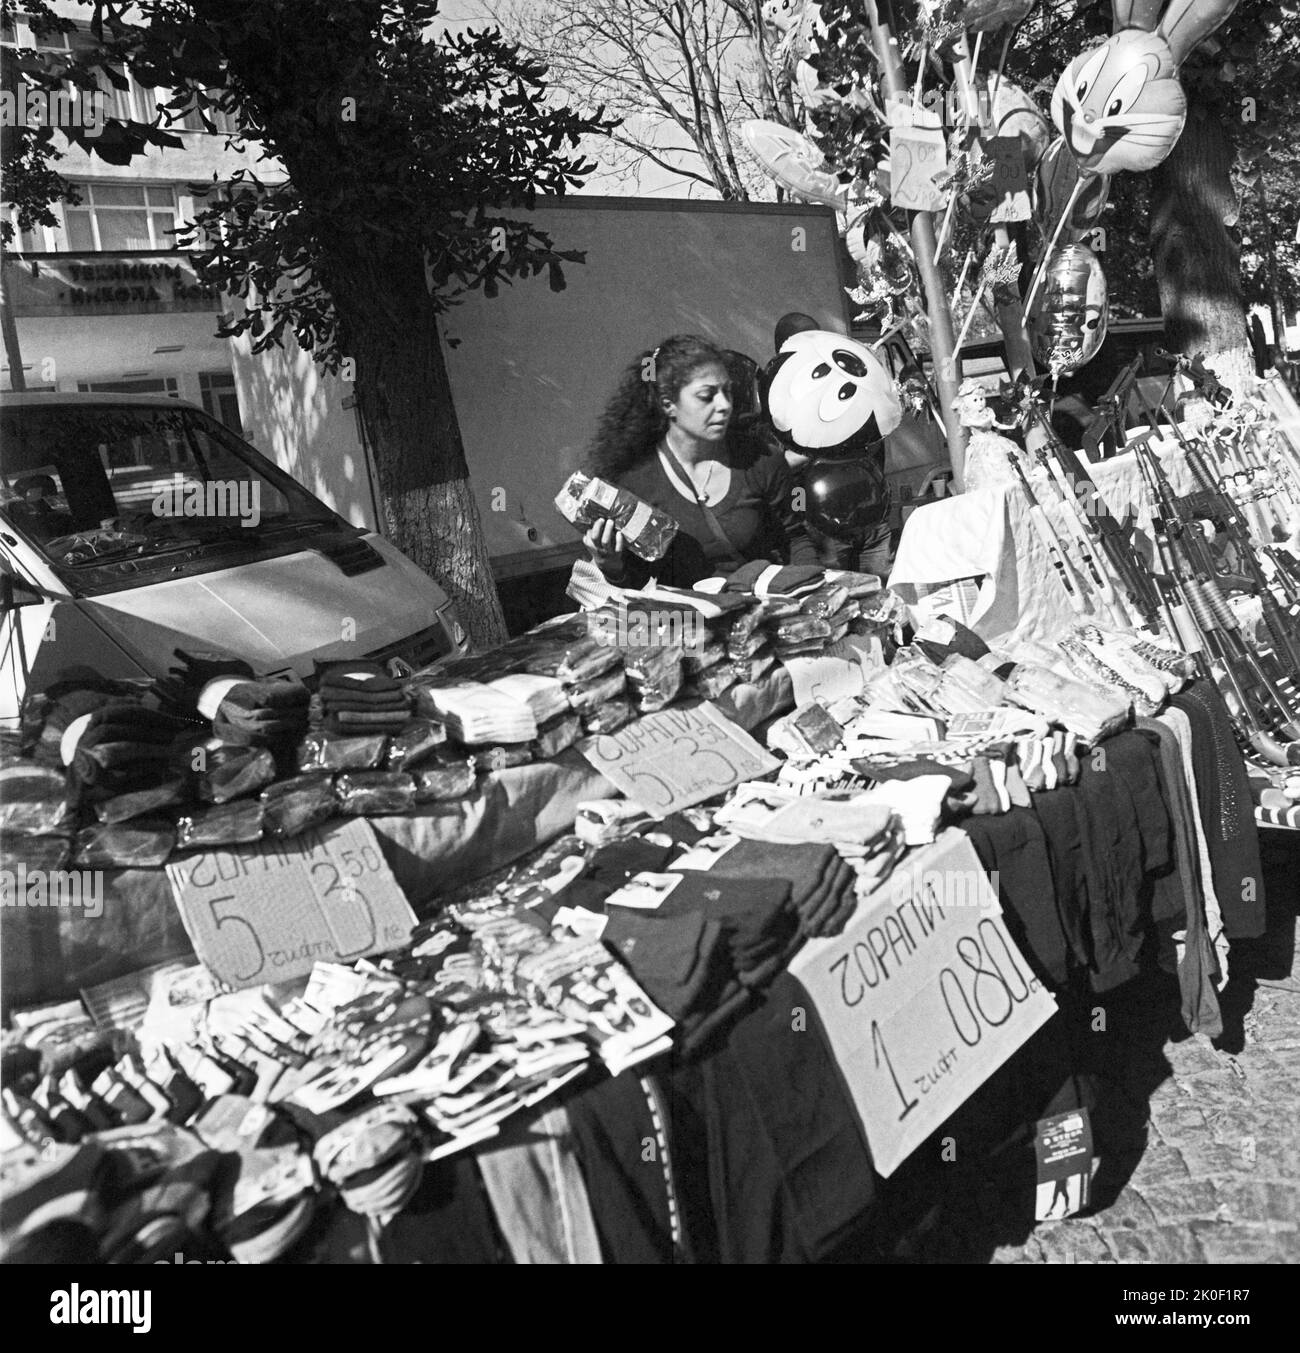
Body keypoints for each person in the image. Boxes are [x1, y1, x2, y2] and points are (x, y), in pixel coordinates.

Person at [580, 333, 815, 588]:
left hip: (764, 612)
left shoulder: (762, 459)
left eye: (728, 392)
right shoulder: (634, 483)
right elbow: (637, 587)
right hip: (690, 623)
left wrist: (811, 596)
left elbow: (796, 537)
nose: (724, 405)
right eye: (707, 396)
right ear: (668, 404)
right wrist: (612, 567)